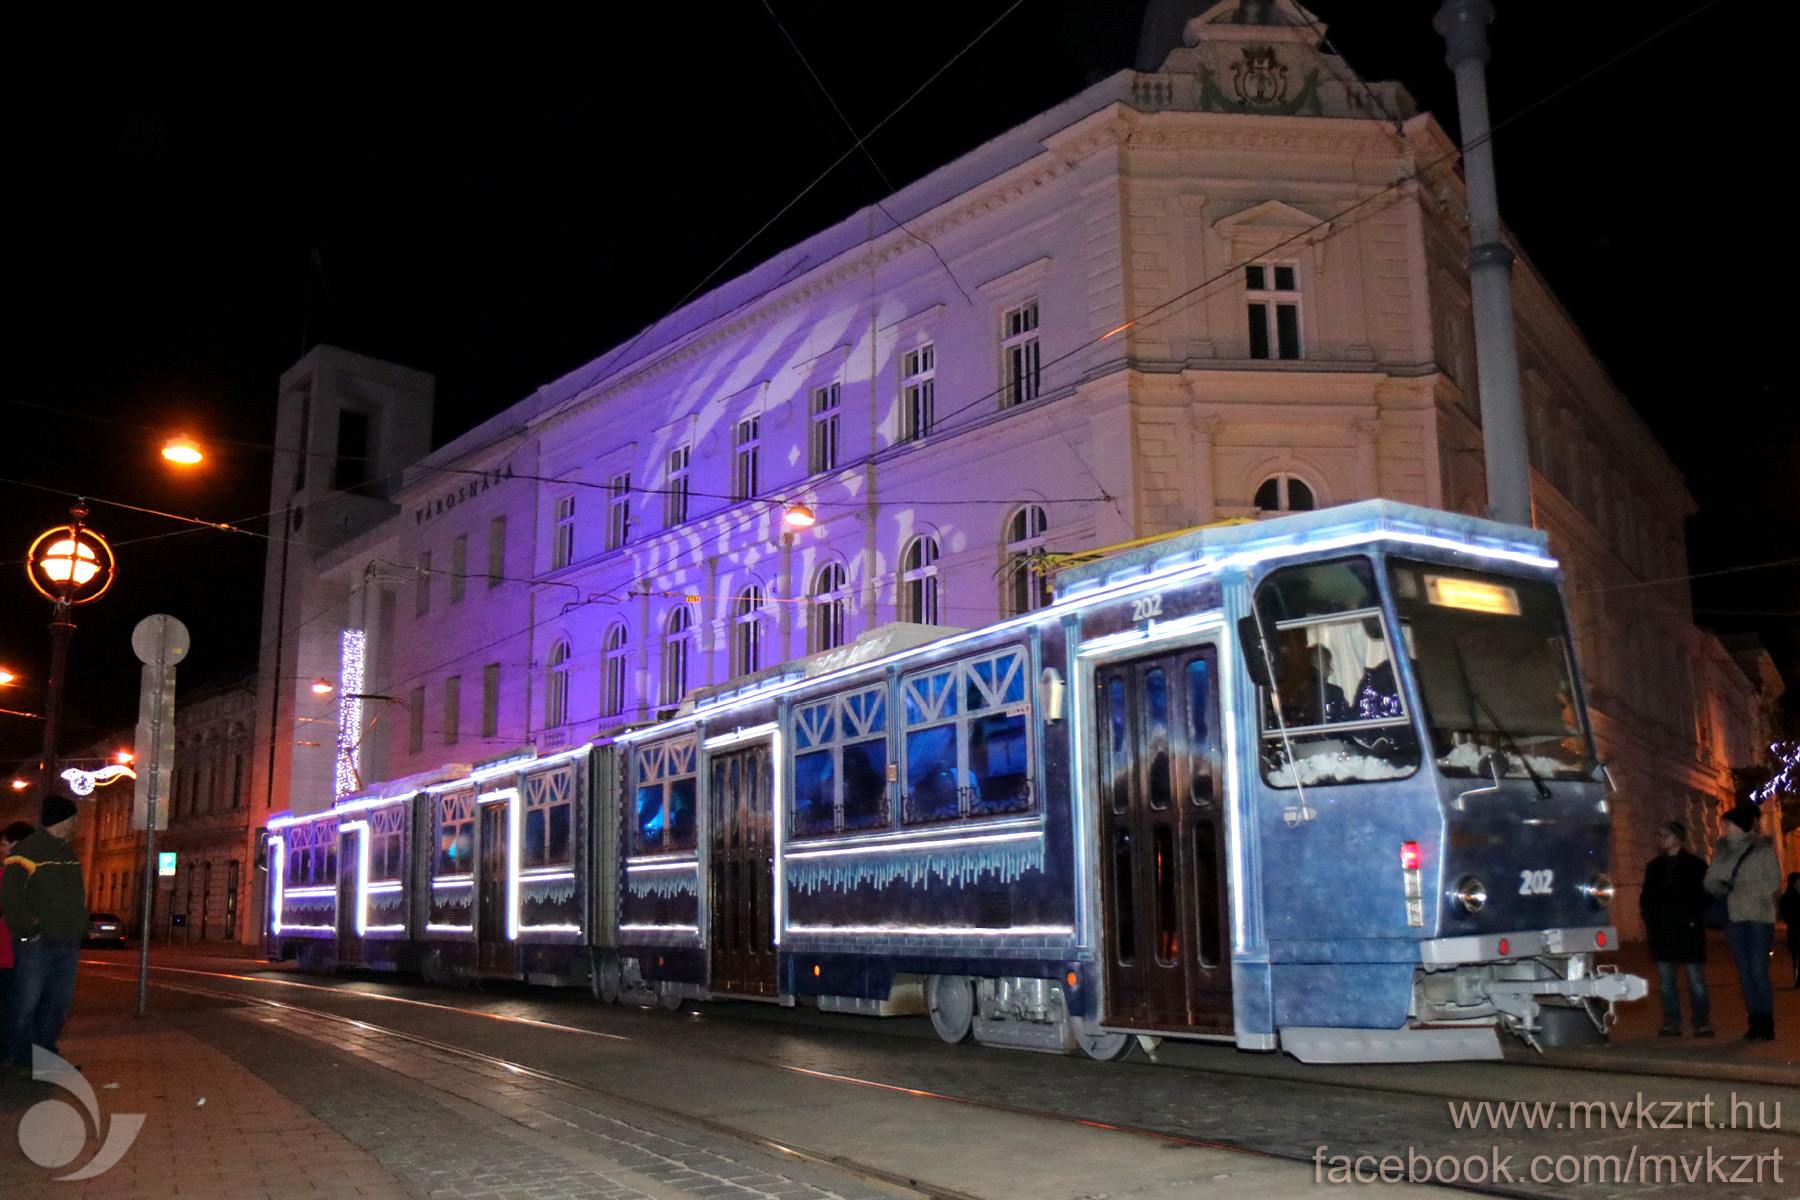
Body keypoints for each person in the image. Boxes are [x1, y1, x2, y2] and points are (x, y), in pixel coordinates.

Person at [2, 793, 87, 1071]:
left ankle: (45, 1055)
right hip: (36, 944)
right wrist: (30, 930)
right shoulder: (25, 852)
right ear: (62, 820)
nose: (77, 823)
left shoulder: (68, 854)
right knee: (26, 1002)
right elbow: (11, 898)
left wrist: (78, 927)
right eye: (74, 818)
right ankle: (13, 1055)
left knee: (57, 1005)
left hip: (67, 942)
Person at [1703, 803, 1781, 1041]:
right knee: (1745, 972)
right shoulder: (1722, 851)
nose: (1724, 827)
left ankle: (1766, 1022)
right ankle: (1754, 1021)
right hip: (1734, 918)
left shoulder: (1762, 850)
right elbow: (1709, 881)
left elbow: (1774, 882)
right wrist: (1719, 886)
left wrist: (1742, 888)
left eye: (1728, 823)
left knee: (1758, 970)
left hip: (1758, 917)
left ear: (1740, 826)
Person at [1639, 821, 1711, 1036]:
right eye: (1659, 834)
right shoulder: (1654, 866)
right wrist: (1651, 921)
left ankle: (1701, 1021)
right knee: (1666, 982)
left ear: (1677, 839)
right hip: (1663, 931)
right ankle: (1672, 1022)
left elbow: (1703, 897)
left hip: (1688, 930)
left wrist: (1692, 918)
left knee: (1696, 980)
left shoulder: (1696, 866)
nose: (1660, 839)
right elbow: (1647, 899)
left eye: (1665, 834)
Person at [0, 821, 35, 1046]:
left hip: (13, 955)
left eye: (4, 844)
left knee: (12, 1007)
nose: (1, 849)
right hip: (16, 955)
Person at [1781, 873, 1800, 990]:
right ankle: (1797, 979)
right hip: (1795, 930)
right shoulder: (1788, 897)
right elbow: (1785, 914)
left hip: (1795, 929)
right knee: (1796, 956)